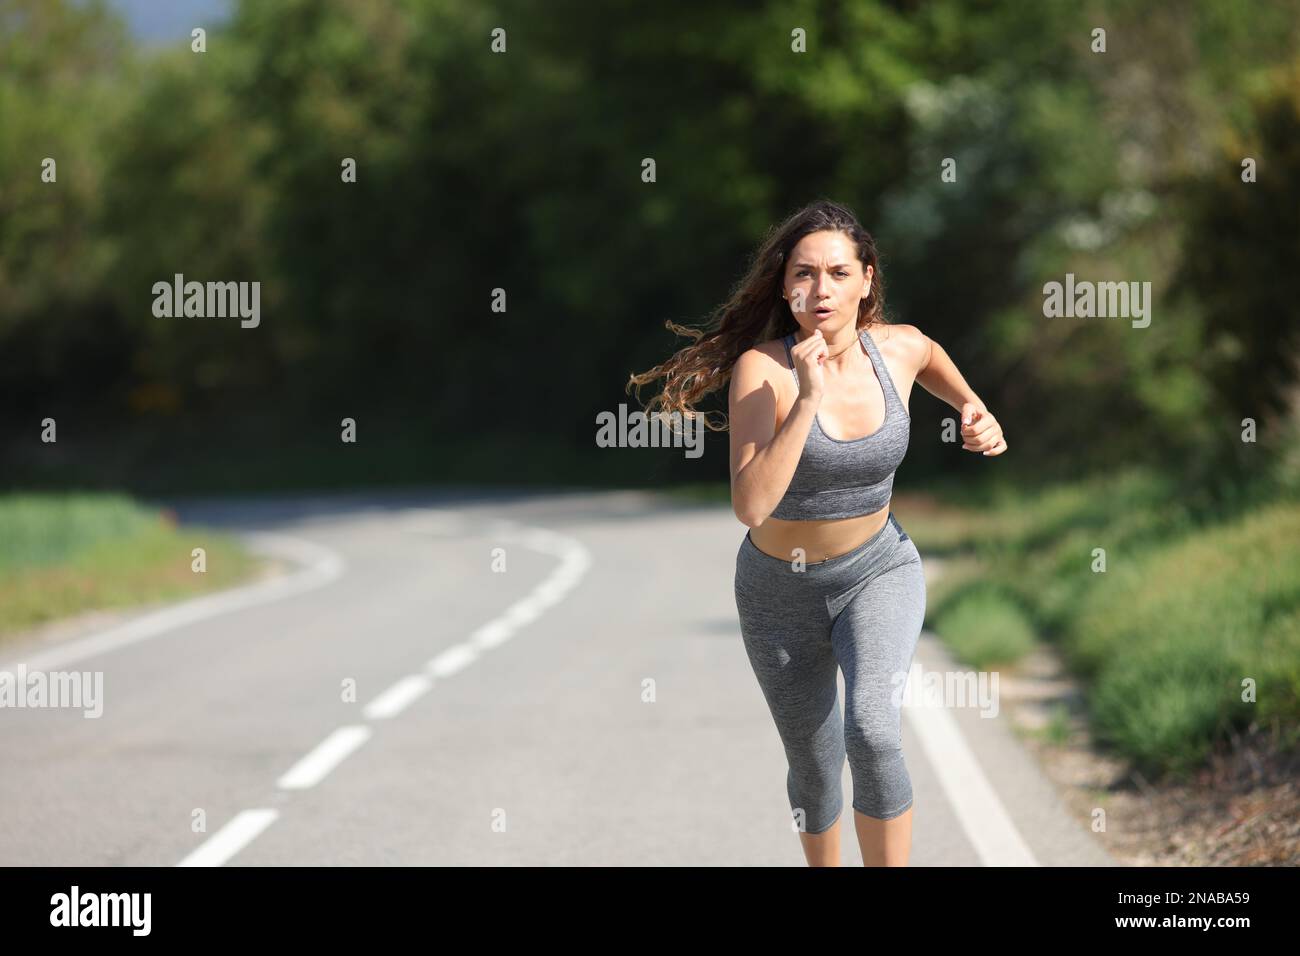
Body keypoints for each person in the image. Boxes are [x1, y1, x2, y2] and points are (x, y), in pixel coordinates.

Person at [627, 199, 1006, 866]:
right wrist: (807, 397)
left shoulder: (901, 347)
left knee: (875, 730)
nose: (820, 289)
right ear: (784, 285)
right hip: (780, 594)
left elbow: (940, 364)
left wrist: (978, 414)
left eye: (837, 272)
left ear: (866, 279)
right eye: (804, 273)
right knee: (813, 762)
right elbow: (751, 505)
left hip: (878, 570)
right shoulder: (762, 372)